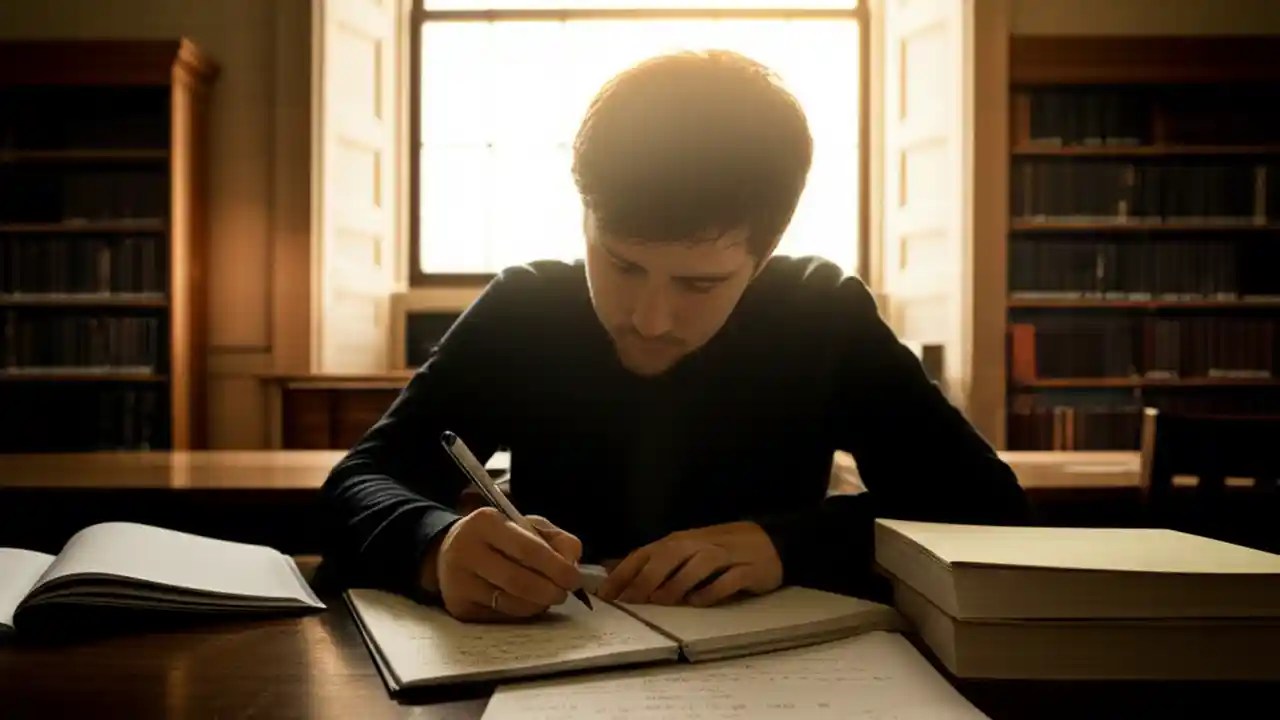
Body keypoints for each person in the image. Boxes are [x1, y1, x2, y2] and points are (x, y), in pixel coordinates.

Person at [320, 49, 1028, 623]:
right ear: (584, 221)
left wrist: (787, 544)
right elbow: (357, 484)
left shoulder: (822, 316)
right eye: (622, 265)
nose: (649, 318)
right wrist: (435, 544)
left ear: (762, 259)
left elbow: (989, 509)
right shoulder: (526, 309)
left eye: (699, 284)